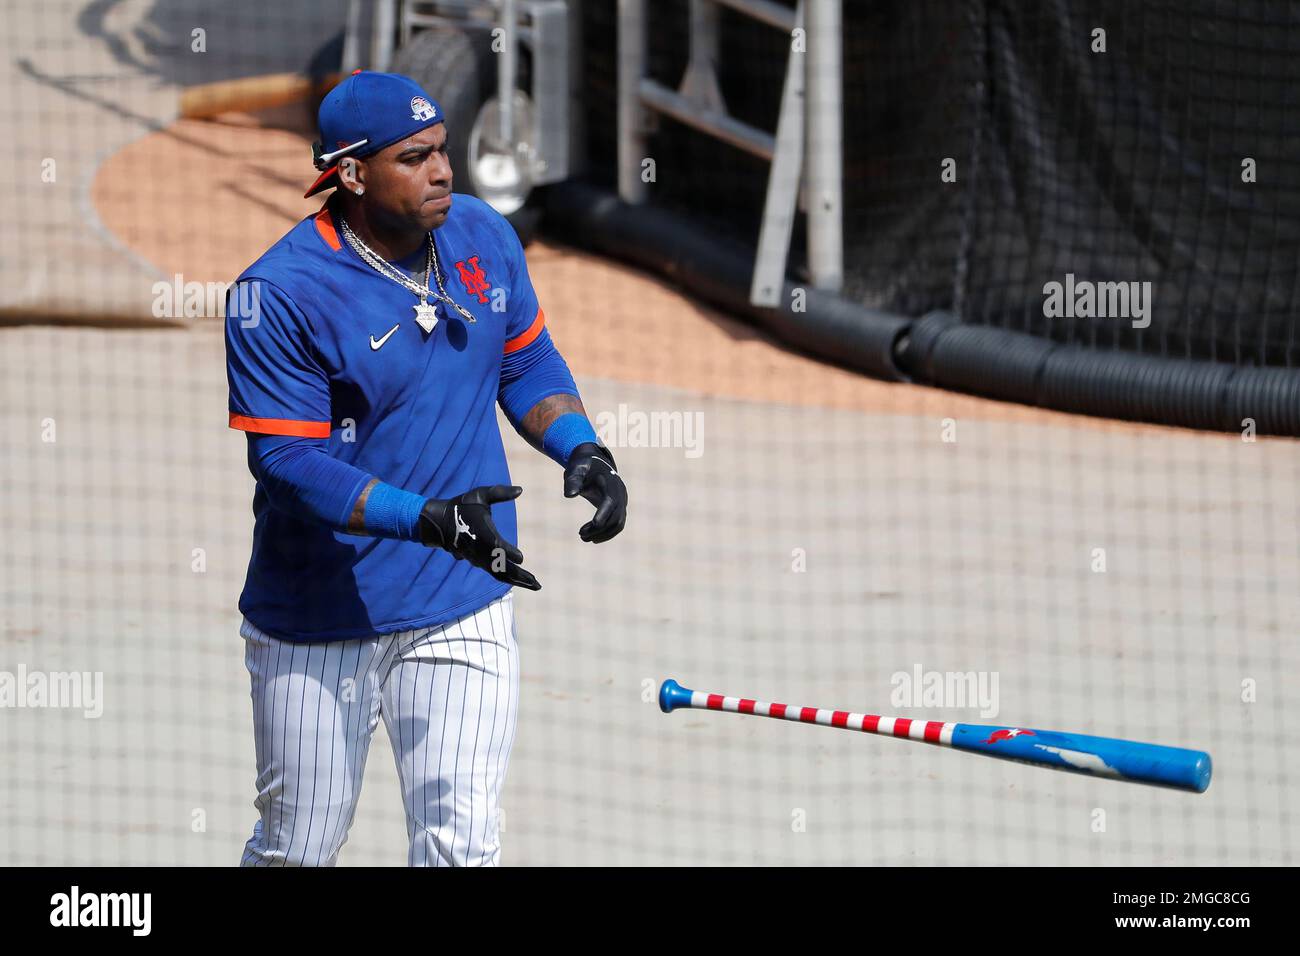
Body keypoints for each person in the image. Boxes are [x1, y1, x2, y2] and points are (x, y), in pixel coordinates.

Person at [223, 70, 627, 866]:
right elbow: (285, 463)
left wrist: (584, 447)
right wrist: (429, 519)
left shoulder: (482, 234)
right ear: (351, 173)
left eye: (442, 150)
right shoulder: (279, 294)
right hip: (321, 617)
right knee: (299, 849)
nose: (443, 170)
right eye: (414, 157)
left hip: (463, 599)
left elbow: (525, 358)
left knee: (462, 845)